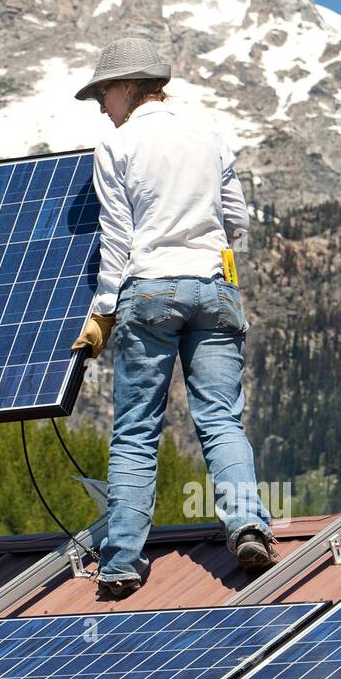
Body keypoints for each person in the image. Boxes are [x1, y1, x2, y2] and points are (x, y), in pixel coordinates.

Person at [71, 36, 276, 600]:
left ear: (129, 87)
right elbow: (239, 220)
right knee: (222, 420)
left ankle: (120, 561)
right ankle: (249, 525)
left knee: (136, 430)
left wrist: (102, 313)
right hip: (214, 287)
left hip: (150, 290)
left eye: (104, 92)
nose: (101, 104)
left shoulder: (117, 145)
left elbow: (117, 239)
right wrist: (204, 242)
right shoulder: (209, 135)